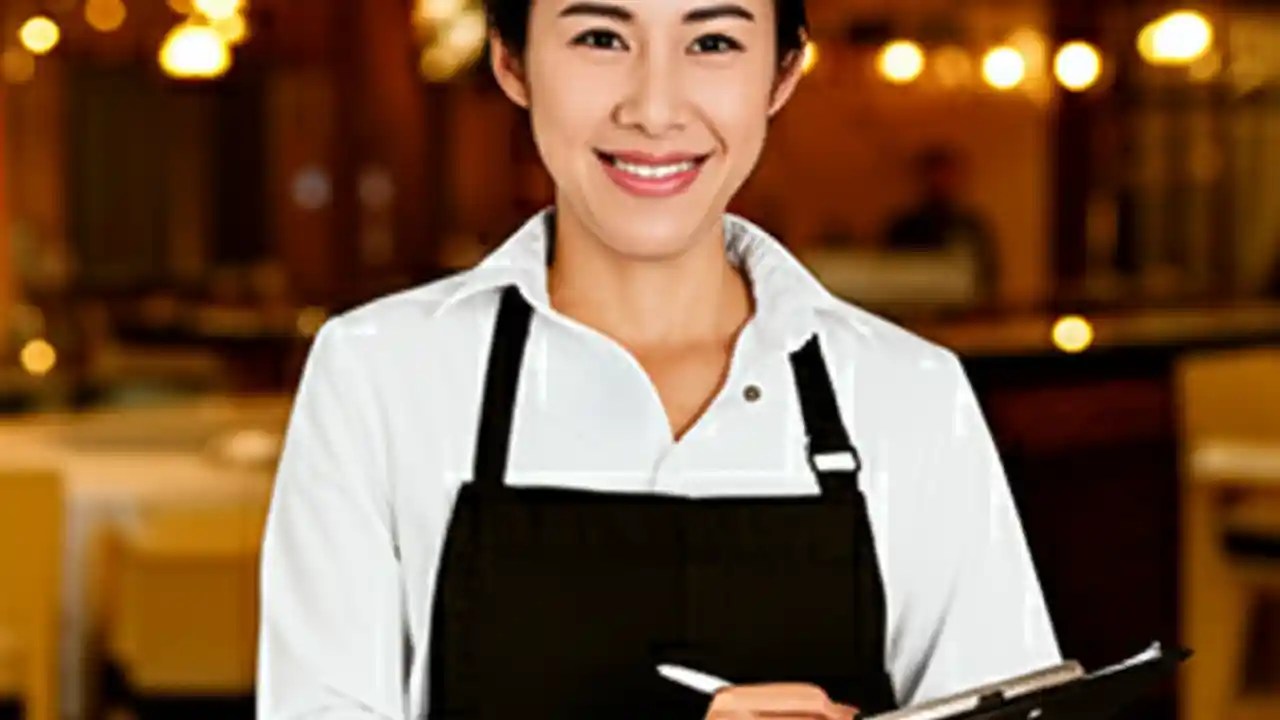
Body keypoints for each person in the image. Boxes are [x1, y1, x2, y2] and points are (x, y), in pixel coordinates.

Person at [256, 1, 1061, 718]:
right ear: (512, 61)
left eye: (712, 41)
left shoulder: (907, 395)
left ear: (782, 74)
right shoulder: (379, 377)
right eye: (602, 36)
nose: (654, 107)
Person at [884, 146, 999, 301]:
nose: (940, 180)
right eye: (934, 174)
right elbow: (888, 275)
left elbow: (988, 276)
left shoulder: (971, 225)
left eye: (946, 174)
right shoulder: (903, 226)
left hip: (964, 313)